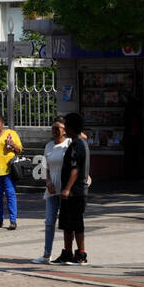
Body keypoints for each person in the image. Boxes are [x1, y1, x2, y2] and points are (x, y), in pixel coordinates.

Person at [54, 112, 91, 265]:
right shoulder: (78, 142)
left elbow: (75, 168)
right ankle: (68, 252)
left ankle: (81, 254)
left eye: (66, 126)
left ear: (71, 127)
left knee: (76, 223)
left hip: (75, 191)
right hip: (73, 191)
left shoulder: (77, 144)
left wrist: (67, 189)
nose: (65, 129)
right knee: (66, 223)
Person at [33, 118, 70, 264]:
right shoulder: (48, 146)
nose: (55, 131)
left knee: (67, 224)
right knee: (49, 222)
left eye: (58, 128)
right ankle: (46, 254)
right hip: (52, 191)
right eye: (53, 128)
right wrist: (47, 182)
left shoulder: (69, 144)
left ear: (65, 130)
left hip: (66, 191)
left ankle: (69, 253)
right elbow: (45, 168)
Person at [0, 114, 24, 230]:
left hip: (8, 172)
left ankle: (13, 220)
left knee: (10, 195)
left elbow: (20, 150)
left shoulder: (11, 133)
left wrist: (13, 145)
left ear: (2, 123)